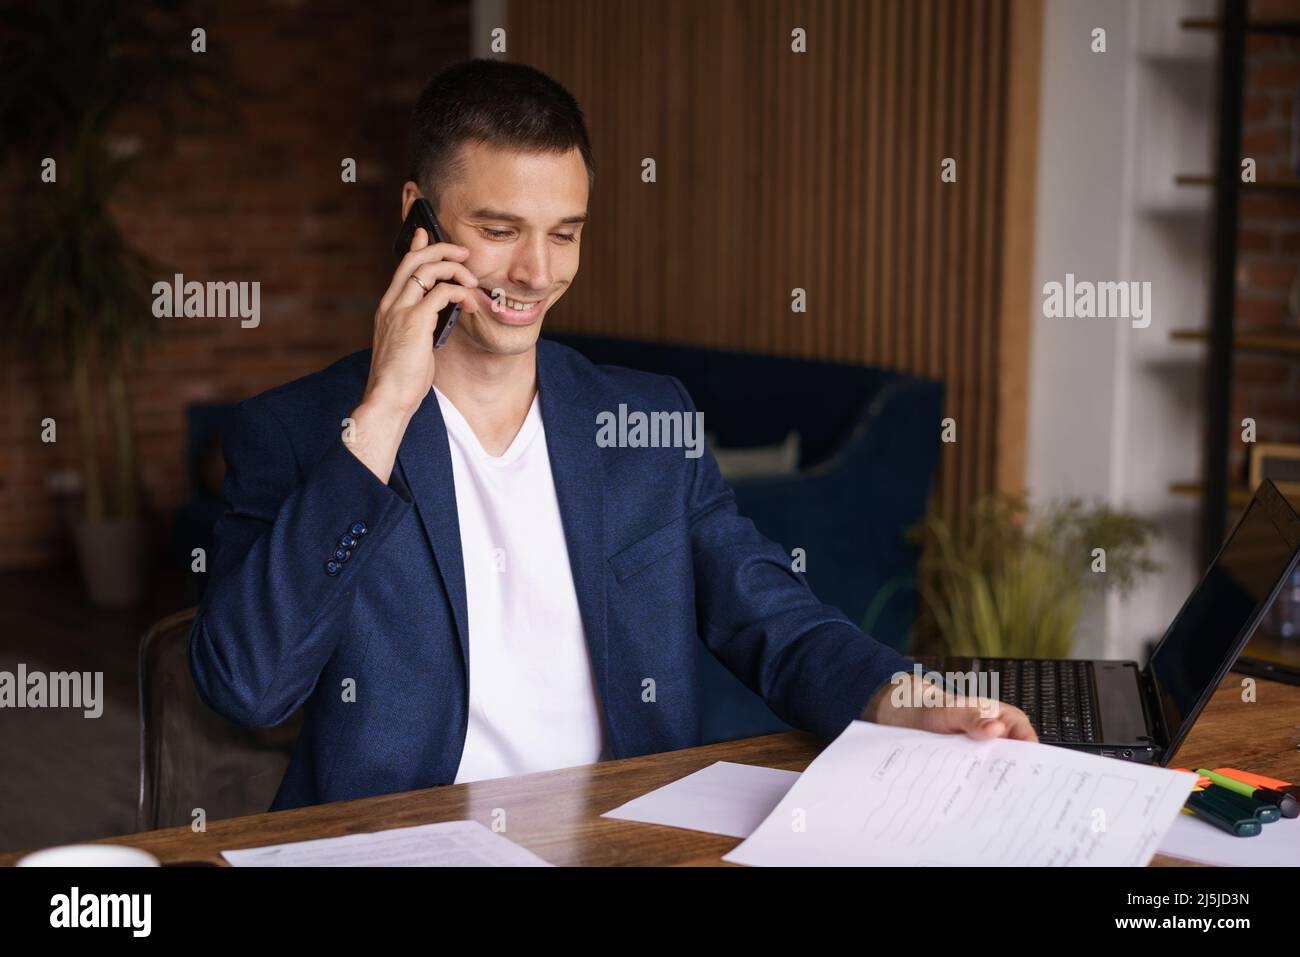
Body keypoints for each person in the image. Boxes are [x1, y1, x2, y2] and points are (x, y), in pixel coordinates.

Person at [189, 58, 1034, 811]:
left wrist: (904, 695)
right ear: (419, 220)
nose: (537, 272)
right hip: (403, 848)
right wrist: (380, 417)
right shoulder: (299, 432)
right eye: (498, 229)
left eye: (566, 233)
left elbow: (770, 614)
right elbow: (247, 687)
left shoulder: (647, 421)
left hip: (620, 838)